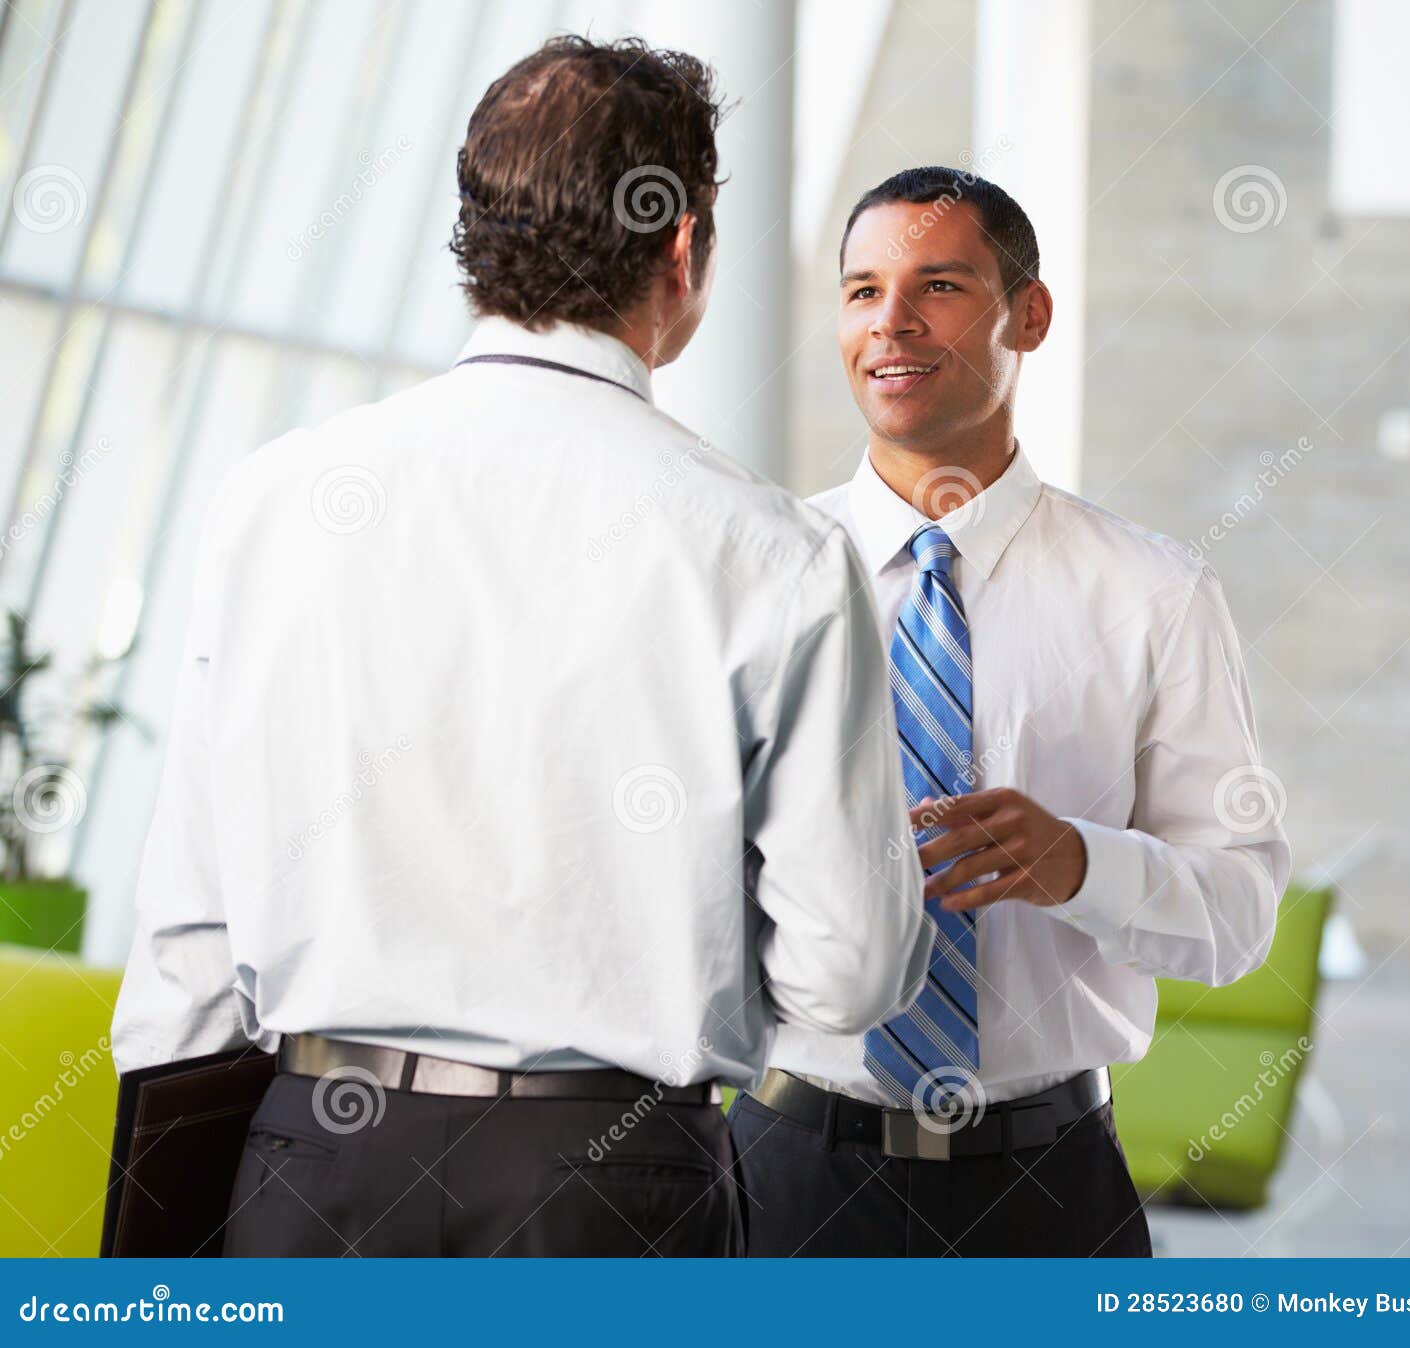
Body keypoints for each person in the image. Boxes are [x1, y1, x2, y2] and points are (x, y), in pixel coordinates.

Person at [109, 37, 931, 1259]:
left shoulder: (271, 500)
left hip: (306, 1168)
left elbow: (186, 942)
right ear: (682, 246)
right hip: (607, 1187)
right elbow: (851, 973)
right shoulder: (775, 555)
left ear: (472, 240)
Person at [727, 167, 1292, 1257]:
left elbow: (1239, 914)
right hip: (786, 1176)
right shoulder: (757, 576)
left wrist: (1079, 863)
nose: (889, 322)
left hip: (1045, 1192)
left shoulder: (1155, 594)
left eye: (937, 284)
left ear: (1027, 314)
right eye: (860, 290)